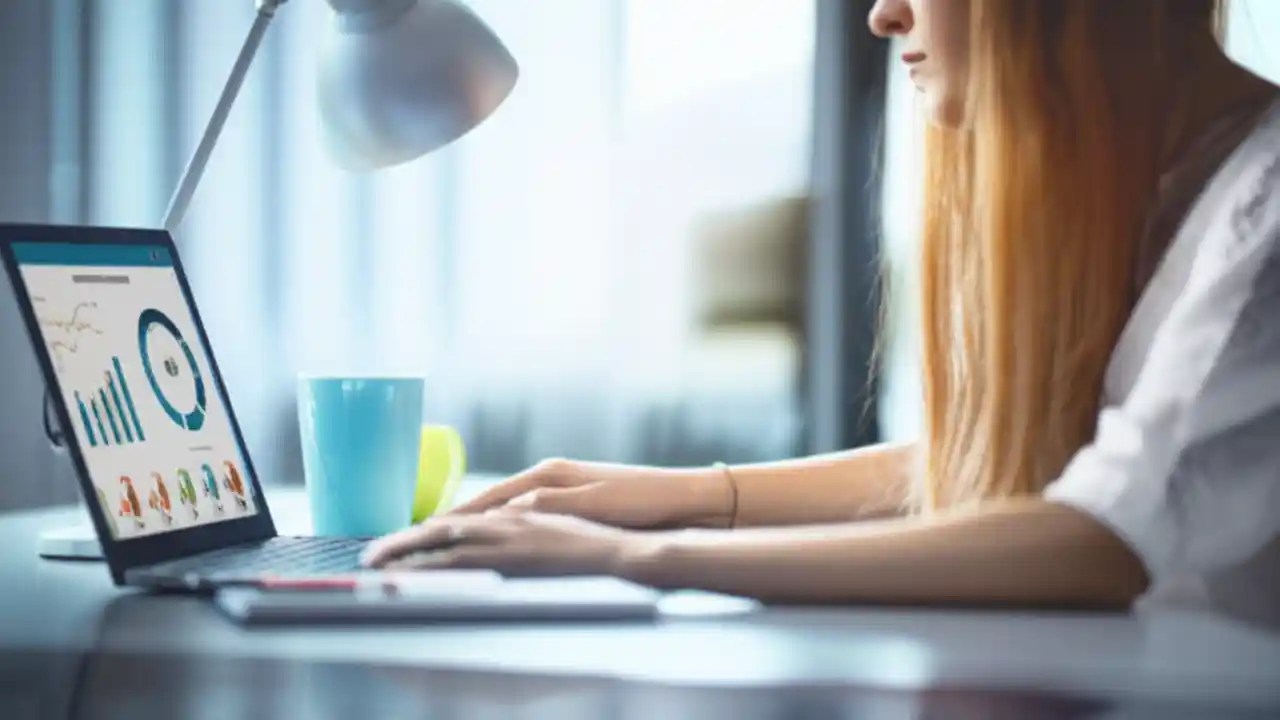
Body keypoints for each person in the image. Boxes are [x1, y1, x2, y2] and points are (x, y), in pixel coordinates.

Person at [364, 0, 1280, 621]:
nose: (883, 13)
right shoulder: (1167, 189)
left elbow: (1102, 532)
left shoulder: (1264, 200)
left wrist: (637, 561)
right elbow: (1009, 467)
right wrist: (682, 496)